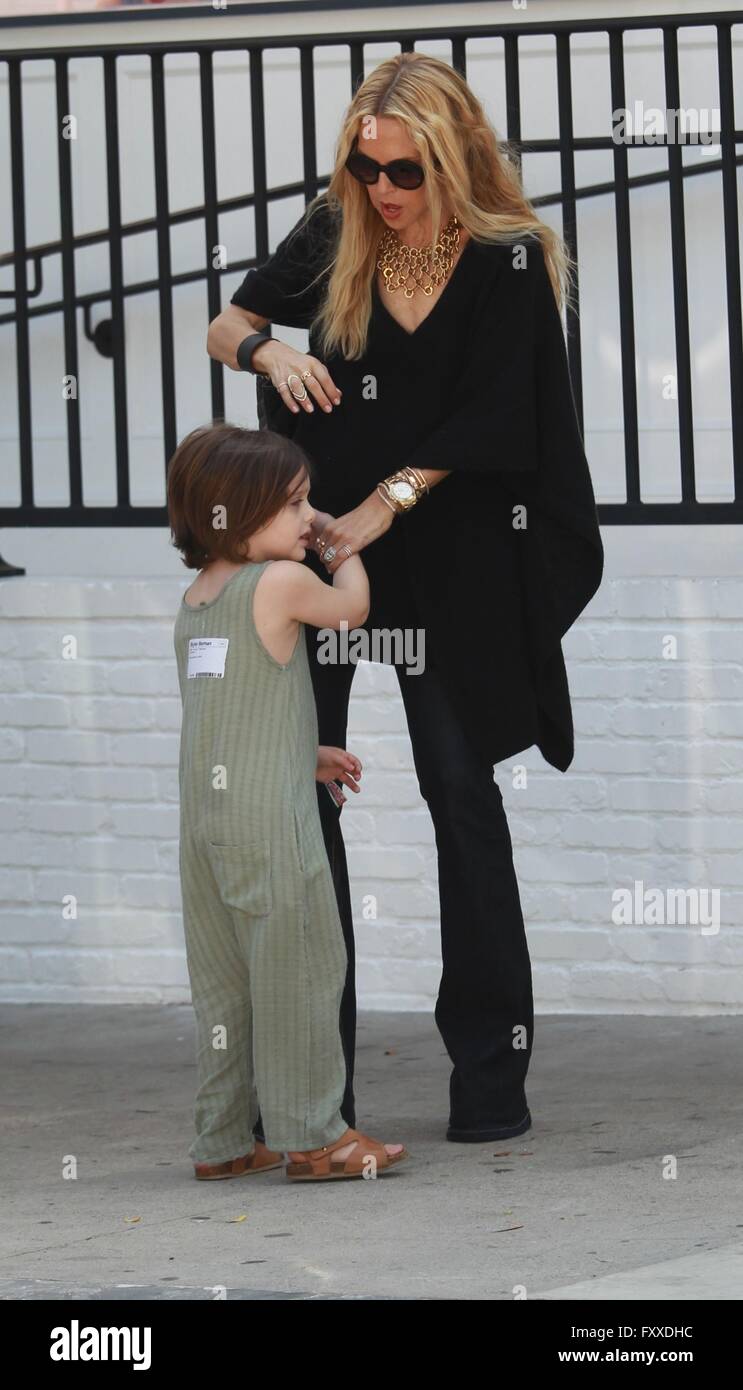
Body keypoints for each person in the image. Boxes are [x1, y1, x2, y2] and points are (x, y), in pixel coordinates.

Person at [207, 53, 604, 1143]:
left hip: (448, 560)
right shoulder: (336, 231)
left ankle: (489, 1078)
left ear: (453, 158)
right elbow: (224, 323)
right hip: (314, 556)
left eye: (403, 170)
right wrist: (269, 353)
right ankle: (311, 1088)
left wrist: (385, 505)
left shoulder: (506, 260)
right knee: (302, 807)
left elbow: (496, 420)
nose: (381, 189)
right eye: (363, 165)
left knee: (459, 800)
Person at [167, 421, 410, 1181]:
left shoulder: (198, 600)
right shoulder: (278, 583)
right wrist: (345, 548)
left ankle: (224, 1140)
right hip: (271, 831)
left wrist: (299, 754)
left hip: (206, 827)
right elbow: (353, 613)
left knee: (225, 983)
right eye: (296, 503)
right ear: (239, 511)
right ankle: (316, 1138)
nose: (309, 516)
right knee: (302, 970)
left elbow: (226, 714)